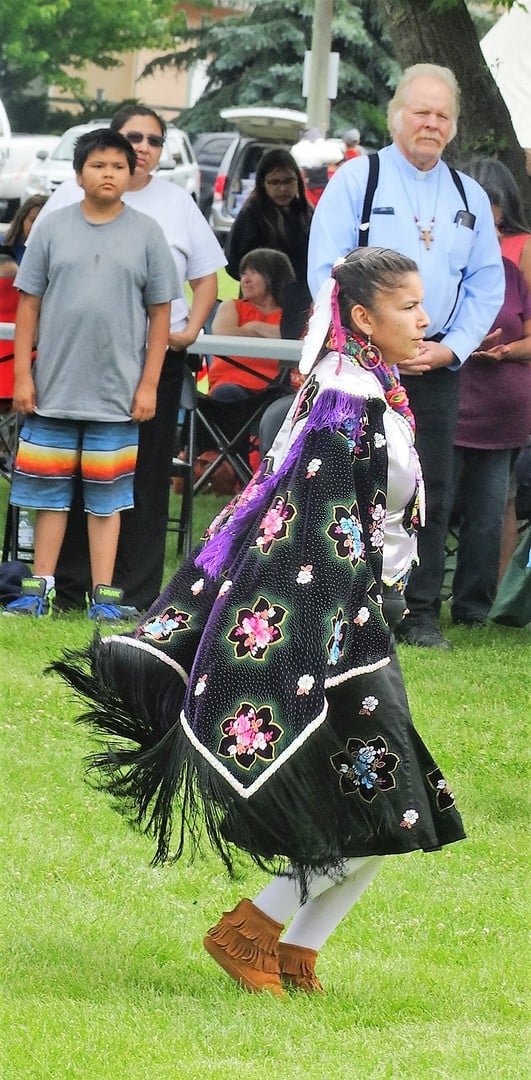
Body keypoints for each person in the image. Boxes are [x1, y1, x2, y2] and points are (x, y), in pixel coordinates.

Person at [53, 248, 465, 997]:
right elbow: (307, 533)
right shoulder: (346, 398)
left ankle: (294, 952)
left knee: (392, 807)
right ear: (365, 318)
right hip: (323, 634)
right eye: (408, 306)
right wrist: (314, 642)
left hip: (349, 624)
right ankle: (250, 933)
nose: (423, 319)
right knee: (380, 804)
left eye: (421, 304)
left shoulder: (372, 385)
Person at [308, 62, 505, 649]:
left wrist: (452, 348)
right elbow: (328, 270)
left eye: (443, 115)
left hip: (435, 366)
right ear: (397, 116)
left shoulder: (469, 194)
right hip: (361, 368)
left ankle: (418, 611)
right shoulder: (356, 180)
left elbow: (486, 284)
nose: (431, 123)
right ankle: (341, 598)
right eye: (421, 111)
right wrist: (367, 344)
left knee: (431, 487)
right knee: (352, 481)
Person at [31, 105, 226, 613]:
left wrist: (191, 328)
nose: (141, 147)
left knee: (138, 481)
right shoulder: (64, 205)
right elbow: (35, 285)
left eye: (153, 140)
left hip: (148, 366)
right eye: (131, 137)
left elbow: (205, 277)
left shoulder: (176, 204)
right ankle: (65, 587)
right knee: (67, 476)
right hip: (72, 366)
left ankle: (130, 592)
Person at [4, 129, 179, 618]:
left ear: (133, 174)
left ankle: (104, 596)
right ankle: (39, 588)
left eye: (119, 167)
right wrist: (23, 376)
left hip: (118, 397)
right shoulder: (52, 228)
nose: (109, 174)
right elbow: (28, 305)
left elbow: (161, 316)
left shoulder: (147, 233)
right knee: (48, 496)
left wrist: (148, 384)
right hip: (53, 391)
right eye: (98, 165)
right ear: (79, 174)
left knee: (108, 500)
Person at [452, 168, 531, 625]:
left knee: (489, 514)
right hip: (453, 403)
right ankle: (416, 604)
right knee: (434, 508)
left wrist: (507, 350)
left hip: (503, 412)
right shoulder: (442, 268)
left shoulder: (511, 273)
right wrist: (463, 342)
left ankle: (473, 608)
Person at [225, 148, 313, 339]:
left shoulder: (307, 214)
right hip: (259, 304)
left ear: (298, 181)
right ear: (262, 184)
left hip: (299, 303)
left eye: (288, 181)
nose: (282, 189)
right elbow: (233, 264)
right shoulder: (250, 216)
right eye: (274, 182)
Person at [208, 247, 295, 401]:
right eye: (243, 274)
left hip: (279, 386)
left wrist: (255, 327)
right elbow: (223, 333)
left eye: (253, 273)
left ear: (274, 277)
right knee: (227, 395)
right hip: (233, 382)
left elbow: (298, 337)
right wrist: (273, 335)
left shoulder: (291, 313)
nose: (245, 280)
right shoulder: (232, 306)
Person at [0, 195, 48, 264]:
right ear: (22, 219)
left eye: (43, 222)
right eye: (33, 220)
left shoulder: (55, 254)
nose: (37, 226)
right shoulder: (2, 243)